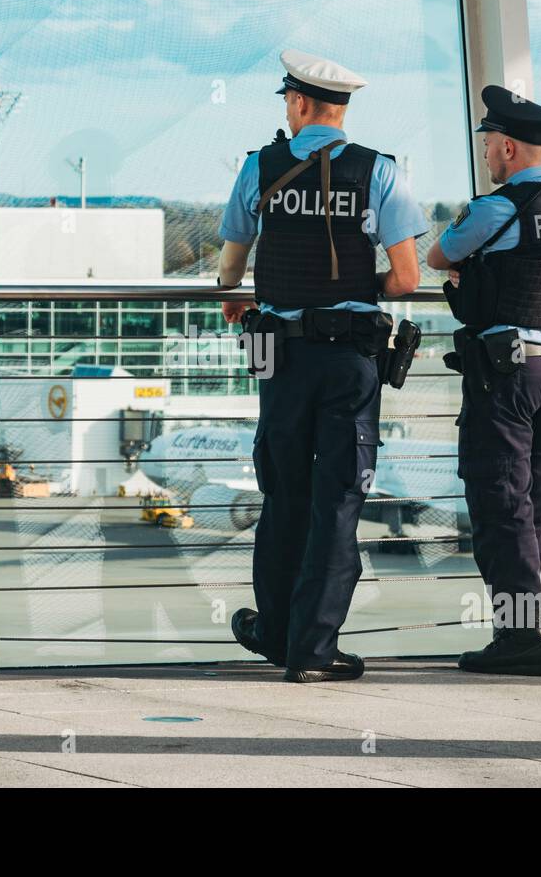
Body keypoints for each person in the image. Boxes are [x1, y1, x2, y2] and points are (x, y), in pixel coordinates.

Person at [214, 49, 424, 683]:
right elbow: (409, 279)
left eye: (286, 101)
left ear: (300, 104)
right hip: (350, 360)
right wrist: (359, 287)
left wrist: (245, 294)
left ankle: (275, 634)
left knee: (283, 497)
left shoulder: (260, 167)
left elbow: (229, 273)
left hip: (278, 354)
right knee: (337, 505)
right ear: (341, 110)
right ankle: (313, 651)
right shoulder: (379, 172)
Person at [427, 85, 541, 676]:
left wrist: (466, 228)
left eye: (492, 147)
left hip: (507, 373)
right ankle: (521, 628)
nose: (488, 157)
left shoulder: (499, 209)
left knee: (500, 501)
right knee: (534, 500)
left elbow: (439, 259)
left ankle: (520, 639)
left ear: (508, 148)